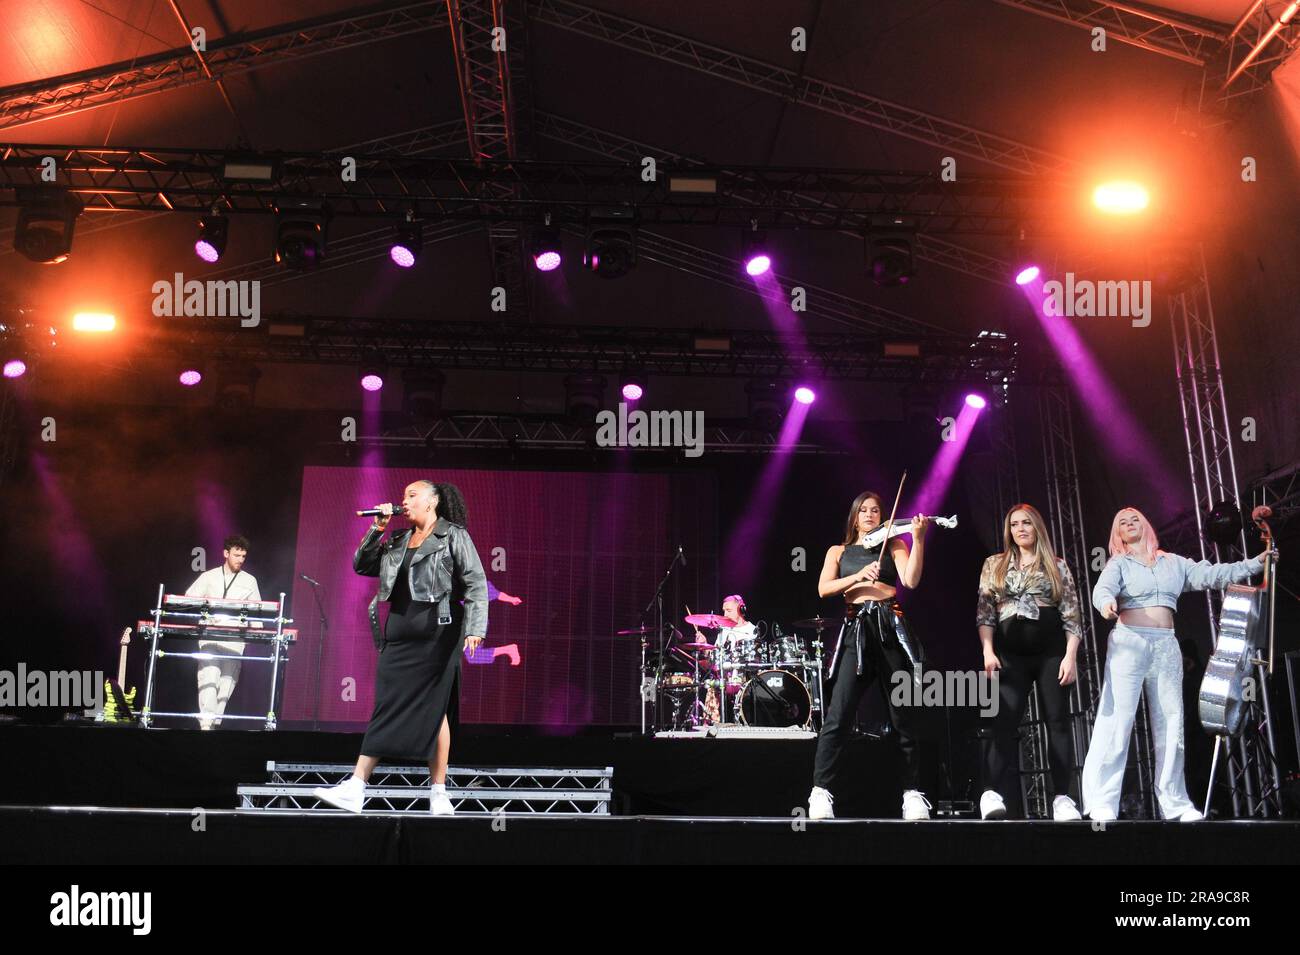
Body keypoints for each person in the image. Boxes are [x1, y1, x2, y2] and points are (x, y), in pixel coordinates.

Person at [313, 481, 487, 815]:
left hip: (439, 635)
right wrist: (376, 528)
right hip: (399, 638)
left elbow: (476, 583)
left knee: (436, 709)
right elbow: (362, 565)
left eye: (412, 495)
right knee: (386, 705)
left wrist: (476, 628)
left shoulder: (453, 535)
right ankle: (356, 787)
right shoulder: (398, 539)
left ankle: (438, 793)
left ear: (432, 501)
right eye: (404, 495)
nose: (404, 501)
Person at [1082, 506, 1264, 822]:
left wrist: (1255, 563)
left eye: (1134, 518)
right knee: (1117, 719)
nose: (1129, 523)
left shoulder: (1173, 563)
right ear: (1118, 534)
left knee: (1171, 722)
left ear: (1146, 524)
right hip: (1129, 643)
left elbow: (1214, 574)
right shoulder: (1118, 563)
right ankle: (1102, 802)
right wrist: (1105, 603)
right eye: (1122, 522)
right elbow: (1103, 589)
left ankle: (1175, 803)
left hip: (1166, 644)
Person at [808, 491, 931, 821]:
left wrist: (917, 539)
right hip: (857, 628)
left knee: (903, 714)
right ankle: (821, 792)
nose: (871, 514)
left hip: (890, 626)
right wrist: (857, 576)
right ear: (854, 516)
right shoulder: (839, 551)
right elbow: (824, 588)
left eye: (876, 510)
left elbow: (911, 580)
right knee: (839, 714)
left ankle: (912, 793)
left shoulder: (894, 545)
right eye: (863, 509)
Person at [975, 504, 1082, 820]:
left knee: (1057, 721)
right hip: (1010, 653)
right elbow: (985, 612)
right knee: (1004, 721)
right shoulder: (994, 564)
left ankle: (1063, 797)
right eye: (1014, 524)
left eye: (1026, 523)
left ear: (1037, 527)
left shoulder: (1057, 565)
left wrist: (1071, 656)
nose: (1020, 529)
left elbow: (1072, 614)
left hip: (1051, 651)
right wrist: (988, 651)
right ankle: (992, 793)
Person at [184, 535, 259, 730]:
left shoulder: (250, 581)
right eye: (236, 555)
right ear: (226, 554)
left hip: (235, 640)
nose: (240, 559)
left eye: (243, 556)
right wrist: (205, 607)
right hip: (209, 636)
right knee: (208, 677)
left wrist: (257, 633)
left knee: (227, 683)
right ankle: (206, 725)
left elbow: (258, 611)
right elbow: (187, 600)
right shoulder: (208, 576)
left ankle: (214, 725)